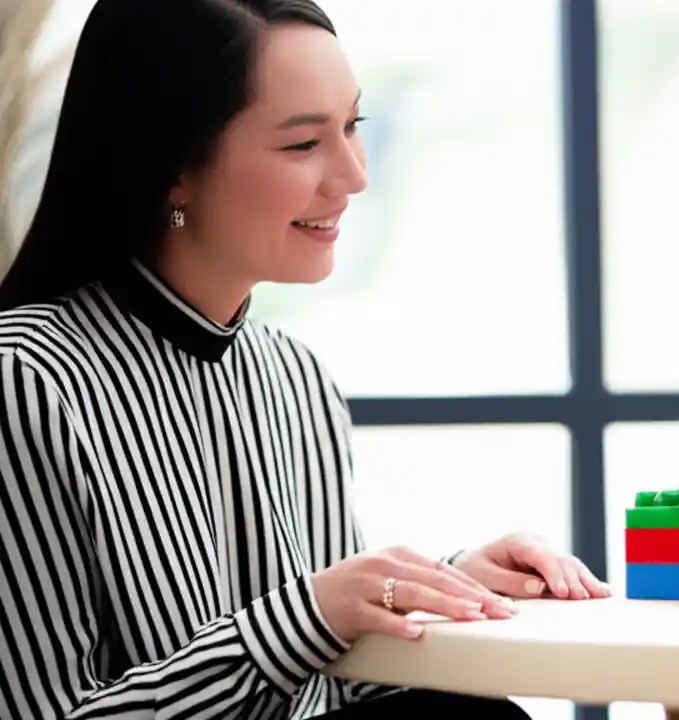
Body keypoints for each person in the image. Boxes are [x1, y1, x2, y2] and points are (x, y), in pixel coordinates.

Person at [0, 1, 608, 717]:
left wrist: (438, 587)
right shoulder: (26, 381)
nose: (353, 176)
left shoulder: (295, 377)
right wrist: (312, 613)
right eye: (301, 145)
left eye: (353, 127)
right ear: (171, 169)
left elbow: (325, 676)